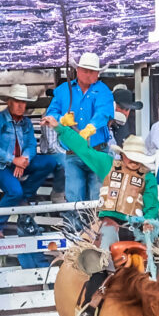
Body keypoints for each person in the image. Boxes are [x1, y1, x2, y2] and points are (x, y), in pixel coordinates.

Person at [42, 121, 159, 316]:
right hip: (109, 224)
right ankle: (90, 306)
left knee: (157, 263)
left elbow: (152, 207)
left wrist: (149, 221)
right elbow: (82, 149)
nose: (133, 163)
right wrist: (61, 129)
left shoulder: (148, 179)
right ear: (122, 156)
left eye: (137, 160)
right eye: (130, 158)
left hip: (137, 228)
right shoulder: (107, 164)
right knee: (102, 262)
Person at [0, 84, 60, 234]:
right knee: (14, 192)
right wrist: (13, 160)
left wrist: (24, 158)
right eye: (17, 101)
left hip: (18, 161)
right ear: (9, 102)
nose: (20, 105)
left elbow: (31, 143)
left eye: (23, 102)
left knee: (50, 162)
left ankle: (23, 196)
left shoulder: (26, 122)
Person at [44, 53, 114, 213]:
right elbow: (51, 113)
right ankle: (75, 235)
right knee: (74, 197)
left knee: (98, 197)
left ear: (97, 74)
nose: (89, 74)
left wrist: (91, 127)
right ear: (78, 70)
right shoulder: (62, 91)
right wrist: (61, 119)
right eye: (85, 70)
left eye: (92, 71)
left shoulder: (103, 91)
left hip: (97, 151)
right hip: (74, 152)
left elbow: (103, 113)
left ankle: (96, 234)